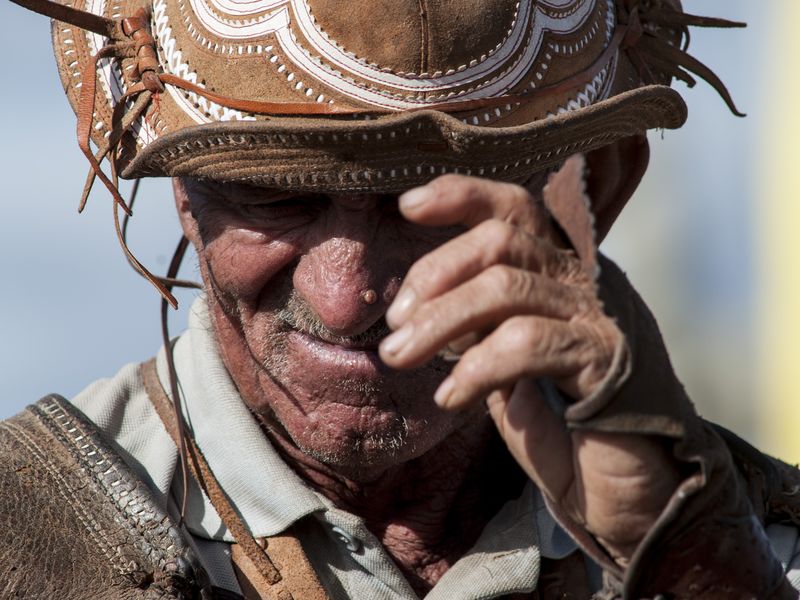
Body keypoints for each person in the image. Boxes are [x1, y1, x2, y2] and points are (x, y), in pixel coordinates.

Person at [1, 0, 799, 599]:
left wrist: (692, 559)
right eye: (274, 198)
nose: (344, 302)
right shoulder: (27, 535)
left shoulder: (758, 544)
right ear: (185, 192)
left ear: (593, 186)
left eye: (426, 205)